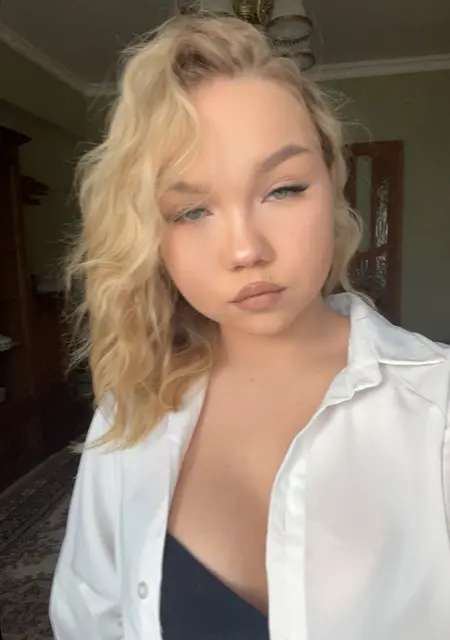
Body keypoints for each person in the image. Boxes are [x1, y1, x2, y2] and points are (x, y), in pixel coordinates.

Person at [49, 14, 450, 640]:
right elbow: (90, 615)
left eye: (283, 189)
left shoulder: (437, 411)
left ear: (333, 181)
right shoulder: (133, 409)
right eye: (191, 211)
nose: (245, 250)